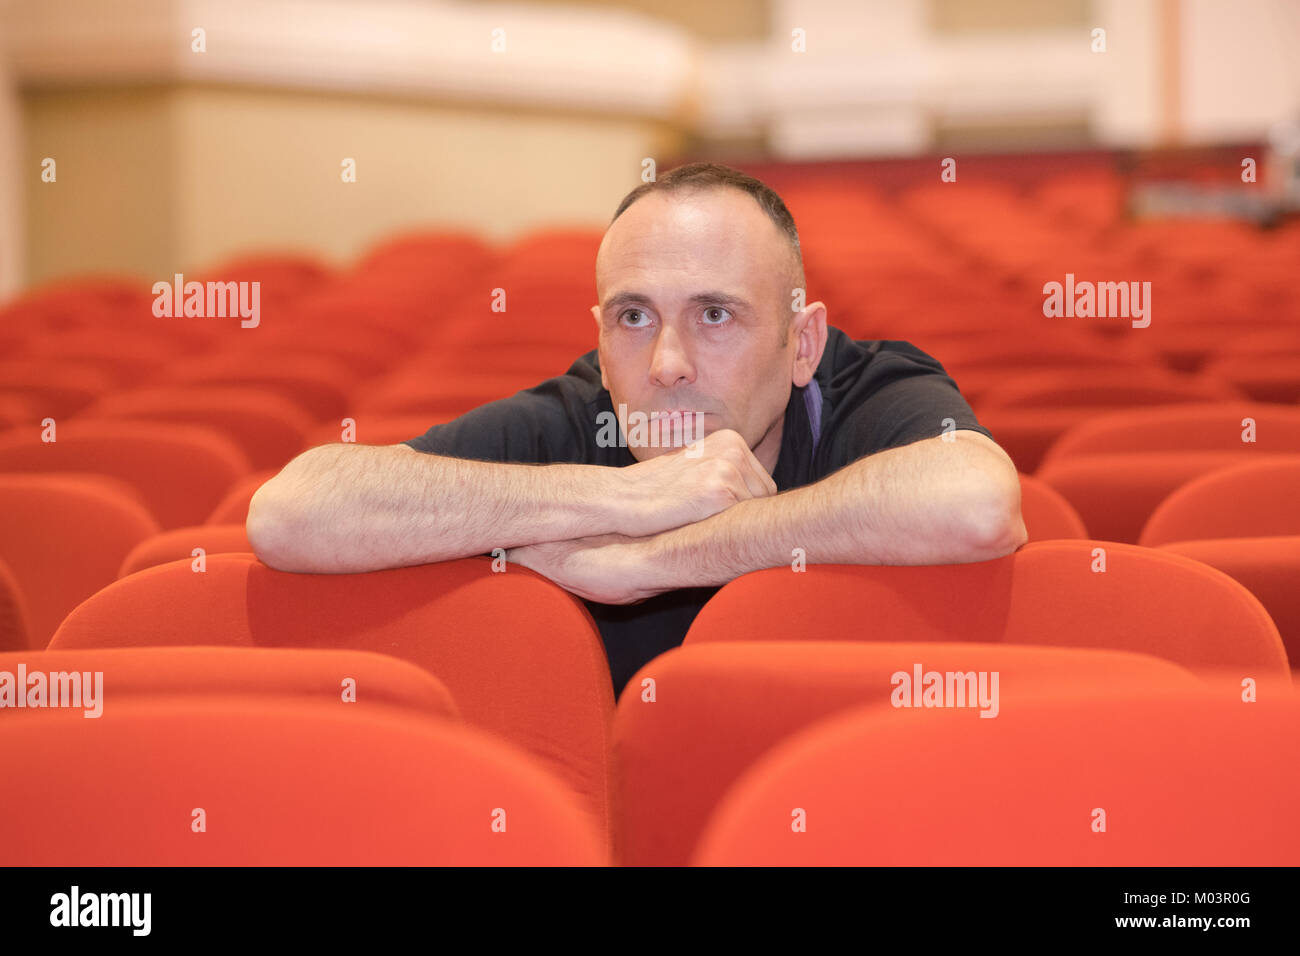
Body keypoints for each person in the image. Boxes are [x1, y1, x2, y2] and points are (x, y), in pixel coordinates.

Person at [247, 162, 1027, 698]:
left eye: (714, 314)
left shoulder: (864, 388)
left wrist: (655, 557)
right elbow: (294, 511)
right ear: (599, 336)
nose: (666, 363)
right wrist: (623, 497)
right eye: (633, 317)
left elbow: (976, 504)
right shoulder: (580, 412)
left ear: (804, 343)